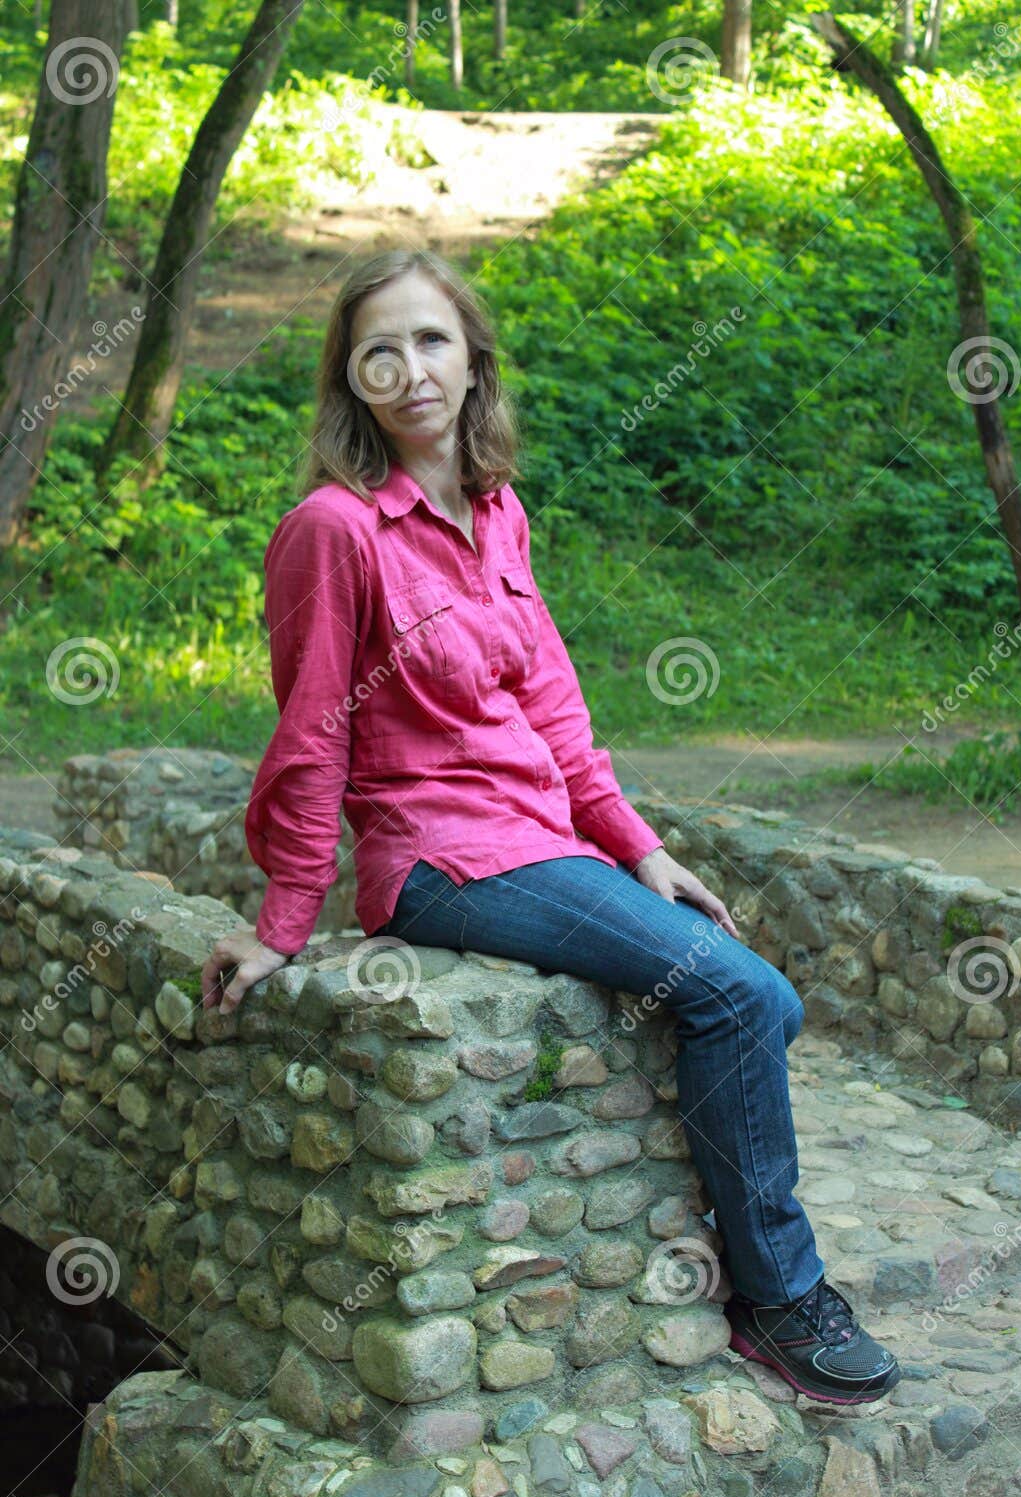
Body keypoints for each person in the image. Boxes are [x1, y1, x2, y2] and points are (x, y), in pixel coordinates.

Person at [201, 247, 901, 1407]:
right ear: (353, 380)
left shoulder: (495, 511)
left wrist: (638, 845)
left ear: (472, 359)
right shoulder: (332, 531)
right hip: (440, 857)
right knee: (744, 993)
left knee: (730, 981)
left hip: (541, 841)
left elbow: (553, 706)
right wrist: (284, 920)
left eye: (432, 340)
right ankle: (776, 1301)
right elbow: (313, 730)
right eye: (381, 349)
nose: (411, 368)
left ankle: (772, 1285)